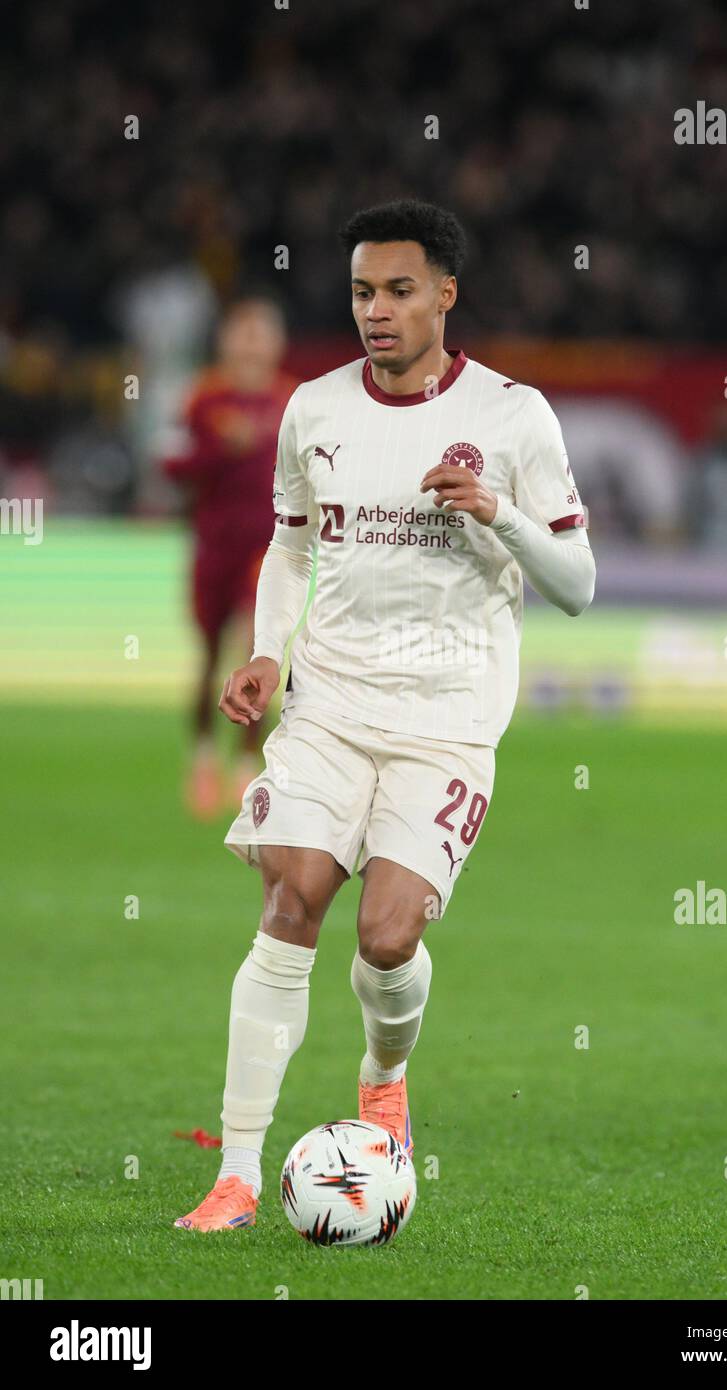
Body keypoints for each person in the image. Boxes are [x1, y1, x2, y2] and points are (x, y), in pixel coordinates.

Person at [174, 199, 596, 1232]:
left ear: (445, 295)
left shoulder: (512, 417)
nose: (376, 310)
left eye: (399, 290)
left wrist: (497, 514)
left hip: (447, 720)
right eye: (362, 291)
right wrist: (267, 651)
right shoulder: (314, 409)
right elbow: (289, 541)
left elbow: (578, 581)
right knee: (291, 902)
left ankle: (381, 1073)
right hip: (329, 705)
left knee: (386, 934)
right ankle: (234, 1171)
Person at [162, 297, 298, 817]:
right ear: (225, 341)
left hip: (267, 549)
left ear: (276, 343)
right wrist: (224, 448)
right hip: (212, 545)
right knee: (208, 654)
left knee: (255, 647)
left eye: (260, 333)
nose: (250, 344)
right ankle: (201, 757)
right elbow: (173, 466)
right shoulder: (203, 398)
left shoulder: (290, 401)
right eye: (242, 333)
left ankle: (246, 767)